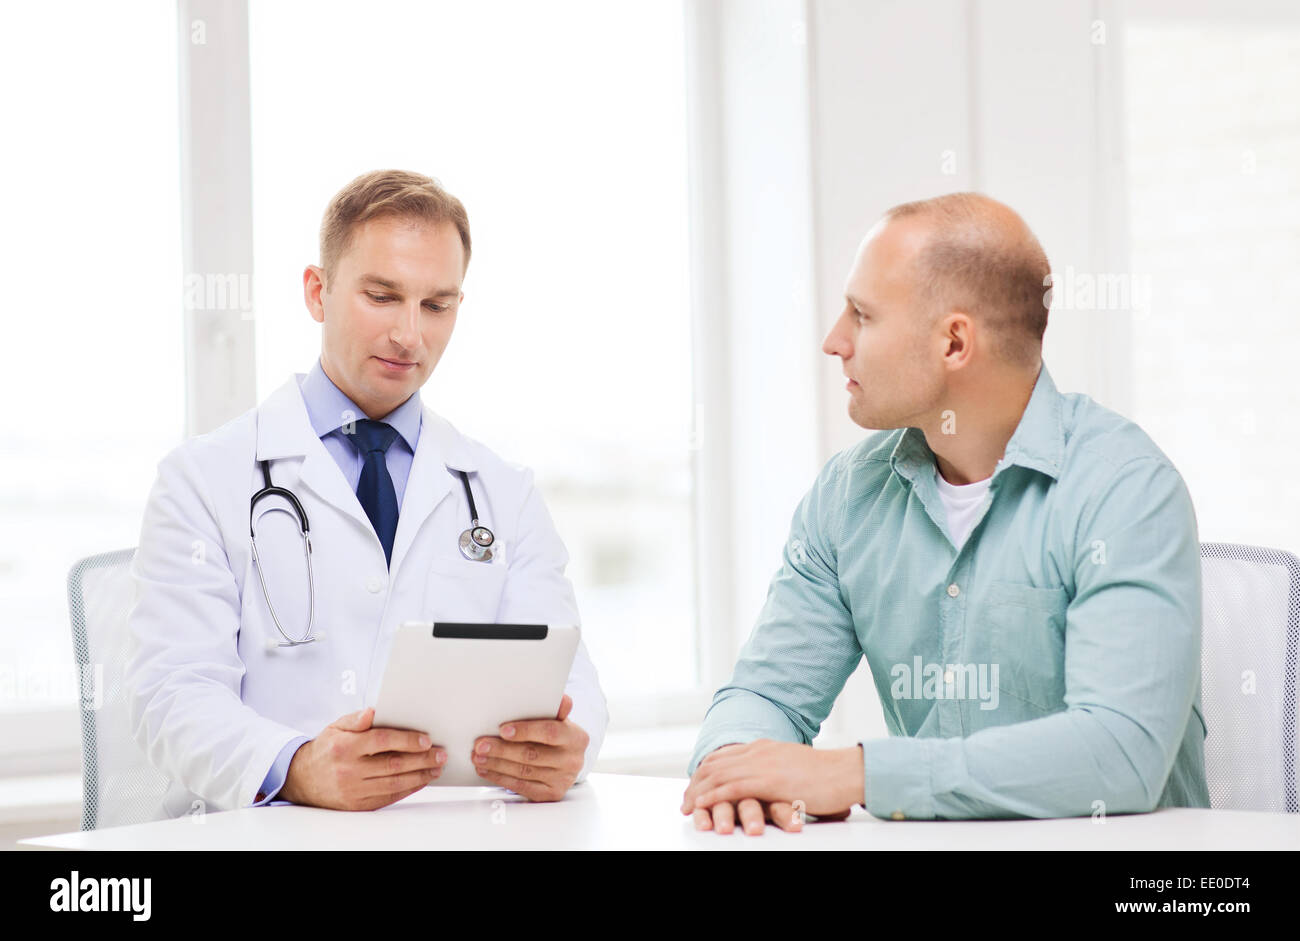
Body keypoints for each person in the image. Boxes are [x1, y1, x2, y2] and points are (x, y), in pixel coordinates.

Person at [680, 192, 1210, 834]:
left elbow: (1120, 755)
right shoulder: (850, 494)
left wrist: (857, 774)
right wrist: (735, 769)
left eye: (862, 315)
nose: (834, 341)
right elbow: (764, 696)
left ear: (954, 342)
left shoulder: (1124, 489)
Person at [126, 169, 606, 814]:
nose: (411, 335)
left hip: (449, 831)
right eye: (382, 296)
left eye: (436, 305)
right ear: (318, 292)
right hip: (277, 832)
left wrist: (565, 752)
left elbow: (570, 683)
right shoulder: (203, 479)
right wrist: (296, 767)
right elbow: (172, 695)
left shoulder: (502, 493)